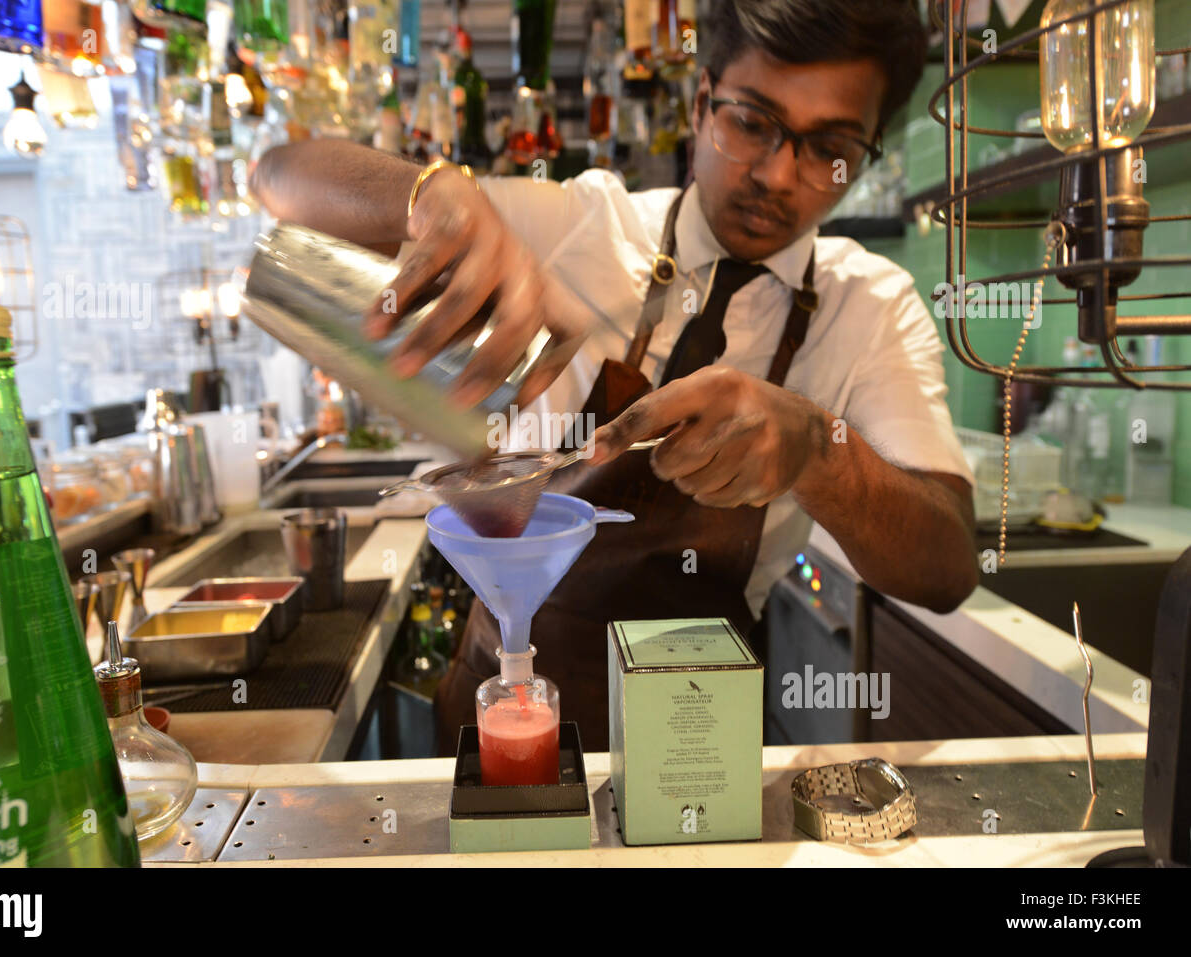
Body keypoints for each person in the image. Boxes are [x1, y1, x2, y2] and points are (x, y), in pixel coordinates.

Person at [251, 0, 978, 755]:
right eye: (751, 122)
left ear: (867, 152)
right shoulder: (584, 225)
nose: (776, 172)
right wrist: (430, 194)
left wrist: (821, 455)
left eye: (827, 144)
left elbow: (949, 567)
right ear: (701, 102)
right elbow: (277, 178)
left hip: (697, 750)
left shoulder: (871, 308)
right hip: (500, 711)